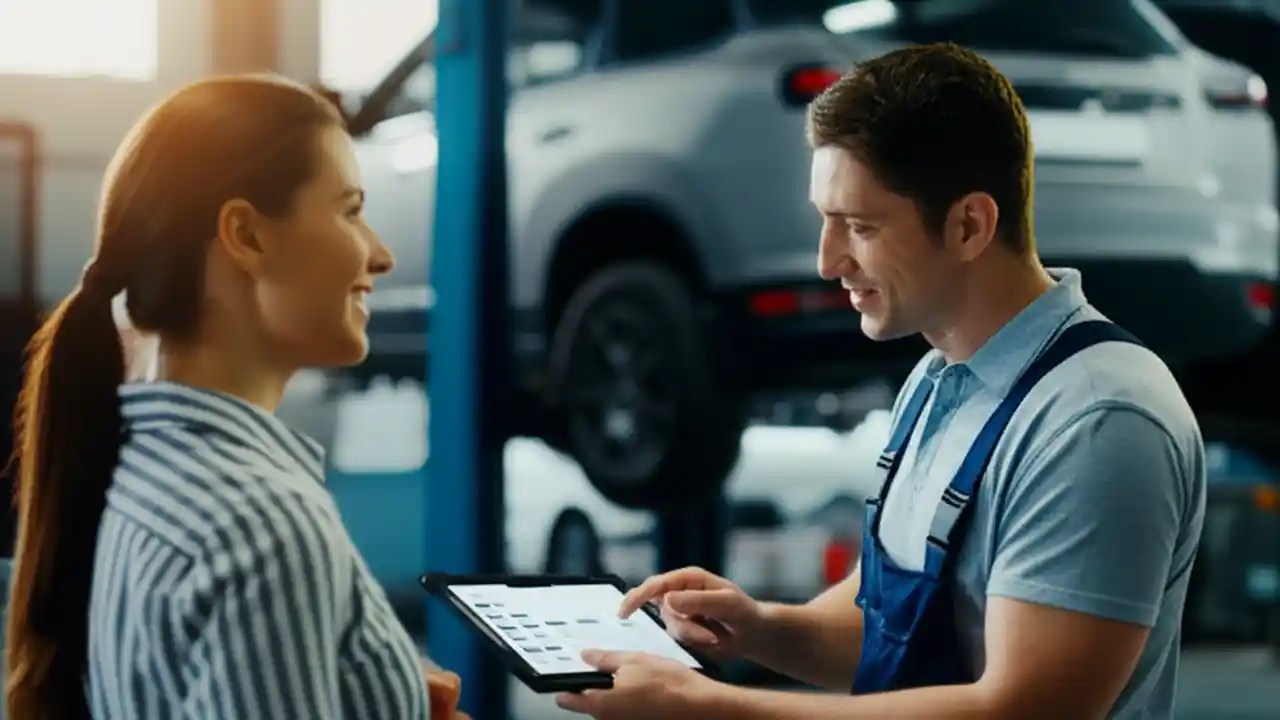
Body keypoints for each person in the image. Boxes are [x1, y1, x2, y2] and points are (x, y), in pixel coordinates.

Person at [556, 43, 1207, 720]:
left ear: (969, 225)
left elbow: (1023, 708)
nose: (828, 260)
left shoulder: (1098, 419)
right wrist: (760, 627)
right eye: (825, 221)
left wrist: (709, 708)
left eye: (860, 226)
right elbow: (899, 630)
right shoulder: (935, 383)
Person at [4, 75, 468, 719]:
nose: (380, 254)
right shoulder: (263, 526)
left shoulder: (141, 471)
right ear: (246, 235)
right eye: (350, 210)